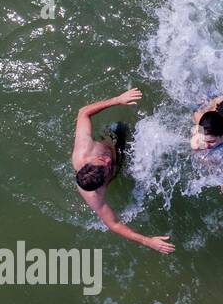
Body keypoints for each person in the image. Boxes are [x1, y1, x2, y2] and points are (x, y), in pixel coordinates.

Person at [72, 87, 175, 254]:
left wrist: (117, 100)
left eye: (101, 161)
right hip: (120, 164)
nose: (106, 161)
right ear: (103, 184)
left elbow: (83, 112)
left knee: (123, 129)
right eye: (106, 168)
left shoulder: (83, 150)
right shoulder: (95, 196)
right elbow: (114, 224)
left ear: (88, 163)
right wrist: (148, 241)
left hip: (112, 141)